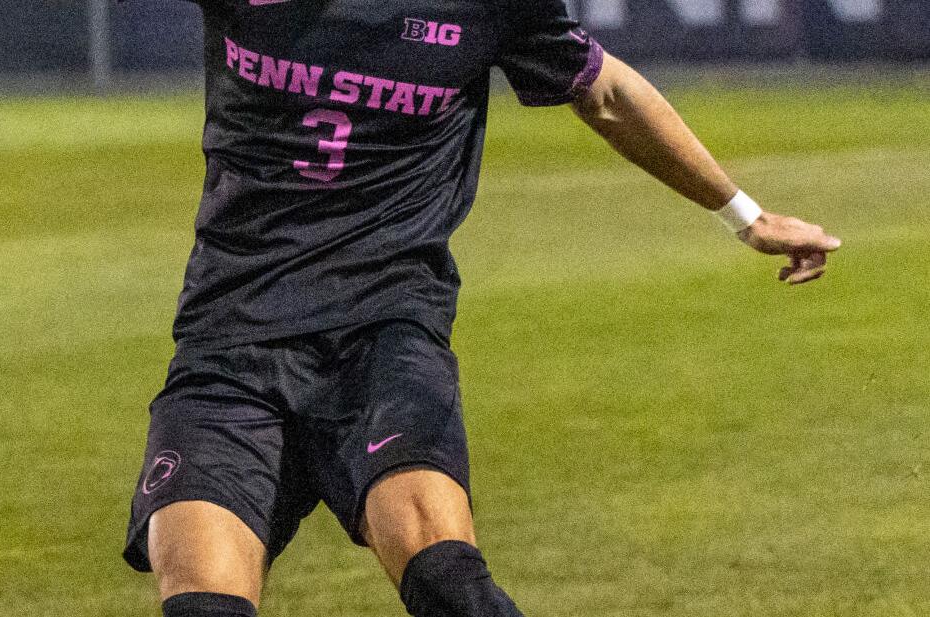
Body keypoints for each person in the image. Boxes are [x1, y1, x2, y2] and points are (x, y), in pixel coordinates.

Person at [123, 0, 842, 615]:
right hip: (228, 341)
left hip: (382, 336)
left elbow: (606, 93)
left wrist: (746, 216)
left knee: (446, 582)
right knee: (202, 603)